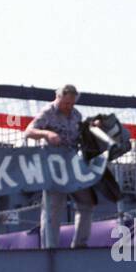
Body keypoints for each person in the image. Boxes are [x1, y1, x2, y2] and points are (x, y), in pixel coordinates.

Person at [25, 84, 96, 248]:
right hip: (54, 169)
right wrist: (46, 133)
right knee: (53, 209)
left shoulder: (76, 115)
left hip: (72, 165)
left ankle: (80, 245)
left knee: (87, 203)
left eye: (71, 104)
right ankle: (50, 249)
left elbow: (80, 135)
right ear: (58, 98)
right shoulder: (47, 112)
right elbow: (28, 131)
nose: (68, 107)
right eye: (66, 104)